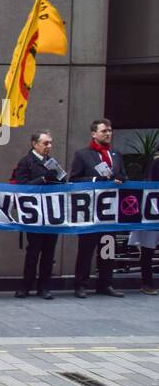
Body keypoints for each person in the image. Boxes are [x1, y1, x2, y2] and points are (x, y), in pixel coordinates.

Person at [69, 118, 126, 298]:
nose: (108, 133)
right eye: (104, 131)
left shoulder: (116, 154)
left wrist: (121, 179)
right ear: (94, 134)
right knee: (86, 250)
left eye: (110, 130)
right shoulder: (82, 154)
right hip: (90, 212)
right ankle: (81, 285)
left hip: (109, 213)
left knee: (107, 249)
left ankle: (105, 284)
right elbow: (74, 179)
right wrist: (95, 180)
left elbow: (123, 175)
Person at [11, 130, 68, 300]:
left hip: (51, 213)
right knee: (33, 252)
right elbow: (22, 187)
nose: (49, 146)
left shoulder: (52, 162)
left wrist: (57, 178)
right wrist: (43, 179)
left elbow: (63, 180)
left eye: (50, 143)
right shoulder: (25, 162)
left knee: (49, 252)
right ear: (35, 144)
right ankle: (26, 286)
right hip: (34, 214)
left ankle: (44, 287)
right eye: (45, 143)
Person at [129, 153, 159, 296]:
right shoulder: (155, 161)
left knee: (148, 248)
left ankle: (147, 282)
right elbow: (149, 183)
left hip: (152, 210)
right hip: (153, 210)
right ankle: (146, 282)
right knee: (148, 249)